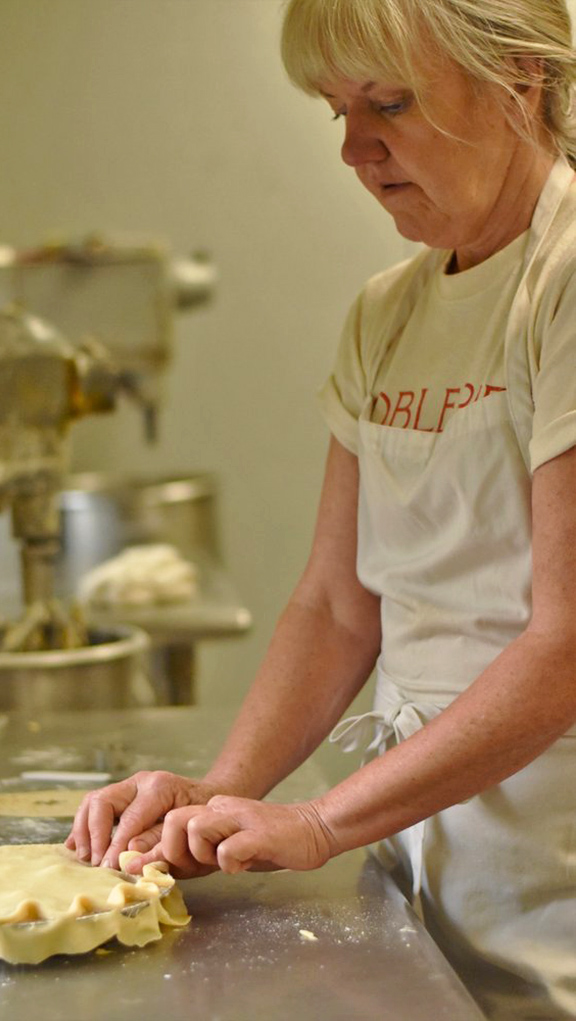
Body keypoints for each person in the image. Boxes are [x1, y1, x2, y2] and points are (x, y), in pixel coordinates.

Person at [67, 1, 576, 1016]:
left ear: (520, 74)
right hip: (426, 868)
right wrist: (219, 793)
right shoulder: (386, 314)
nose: (354, 147)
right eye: (334, 111)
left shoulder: (559, 285)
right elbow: (336, 607)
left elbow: (563, 643)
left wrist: (322, 821)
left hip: (550, 880)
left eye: (388, 102)